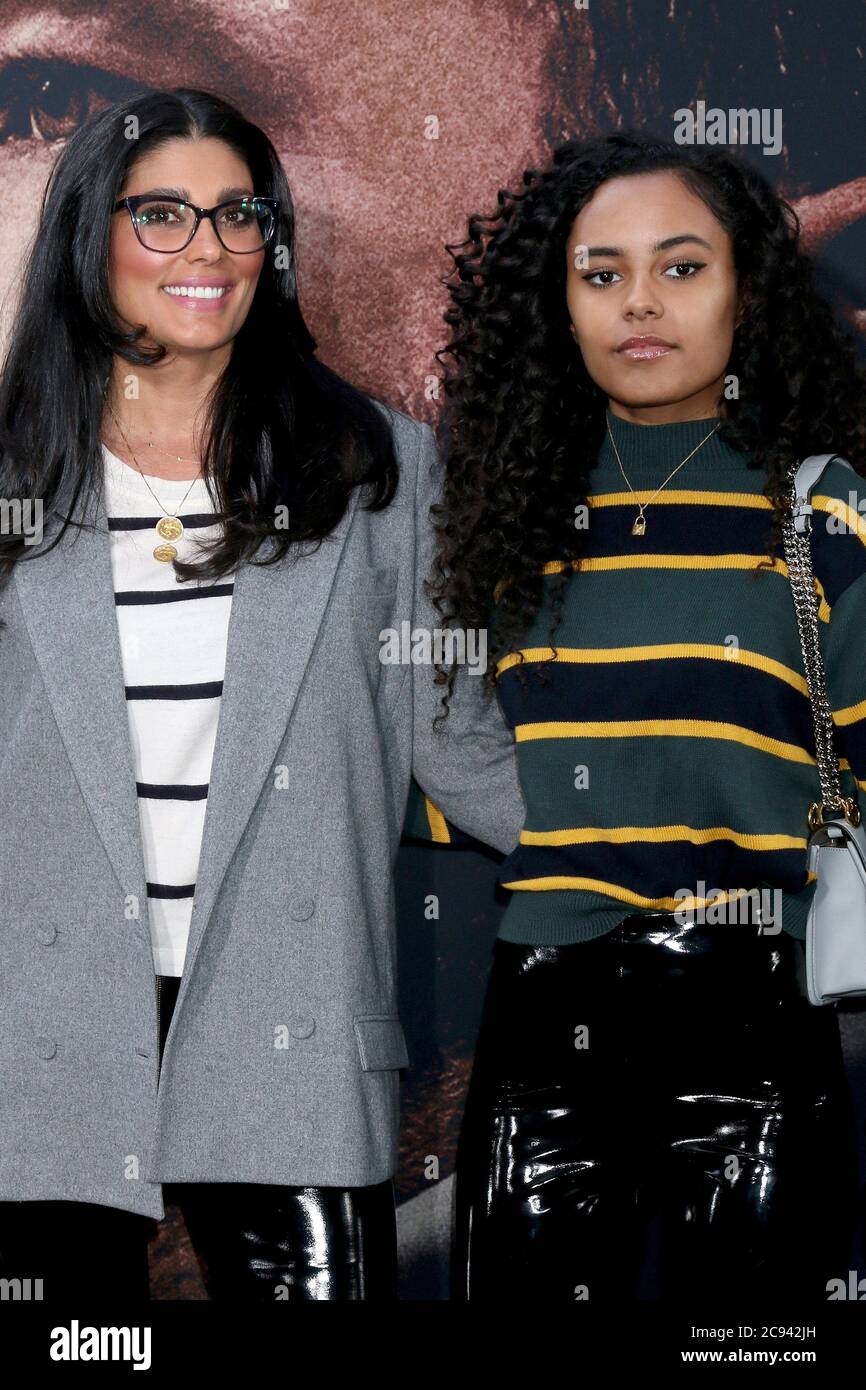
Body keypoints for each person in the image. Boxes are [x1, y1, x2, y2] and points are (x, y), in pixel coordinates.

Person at [0, 86, 524, 1301]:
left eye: (239, 214)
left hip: (289, 1034)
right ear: (92, 232)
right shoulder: (15, 476)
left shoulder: (375, 468)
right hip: (44, 1037)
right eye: (164, 215)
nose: (210, 249)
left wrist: (677, 848)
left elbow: (455, 740)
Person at [418, 130, 866, 1301]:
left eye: (680, 266)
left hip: (755, 1019)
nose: (639, 304)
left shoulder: (818, 504)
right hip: (540, 1016)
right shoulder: (500, 516)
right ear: (556, 304)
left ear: (745, 289)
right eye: (599, 272)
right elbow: (441, 740)